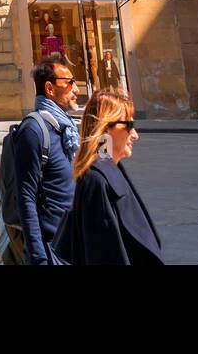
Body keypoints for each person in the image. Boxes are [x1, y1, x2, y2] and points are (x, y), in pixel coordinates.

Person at [58, 89, 163, 266]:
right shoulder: (97, 180)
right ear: (106, 128)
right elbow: (103, 255)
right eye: (129, 126)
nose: (135, 135)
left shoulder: (109, 168)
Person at [5, 54, 79, 265]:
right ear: (49, 88)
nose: (76, 89)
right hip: (51, 249)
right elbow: (25, 197)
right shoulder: (33, 131)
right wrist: (38, 257)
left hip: (72, 243)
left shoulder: (66, 128)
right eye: (69, 83)